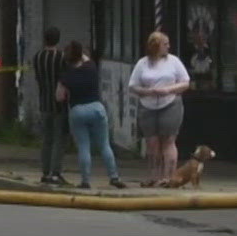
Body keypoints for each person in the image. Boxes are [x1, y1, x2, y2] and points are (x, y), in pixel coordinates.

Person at [127, 30, 191, 186]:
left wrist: (169, 89)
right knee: (152, 142)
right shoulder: (142, 63)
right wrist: (147, 91)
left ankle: (169, 177)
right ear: (155, 46)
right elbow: (132, 85)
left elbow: (186, 82)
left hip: (170, 103)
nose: (168, 46)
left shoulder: (173, 61)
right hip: (148, 105)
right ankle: (152, 176)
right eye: (165, 44)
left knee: (168, 140)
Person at [59, 41, 125, 189]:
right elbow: (84, 57)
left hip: (77, 110)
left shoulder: (67, 75)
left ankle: (85, 180)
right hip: (96, 108)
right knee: (104, 145)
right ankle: (114, 177)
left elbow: (59, 96)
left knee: (84, 147)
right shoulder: (91, 67)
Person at [30, 26, 68, 185]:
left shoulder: (37, 57)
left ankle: (45, 172)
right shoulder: (61, 57)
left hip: (44, 101)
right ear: (57, 39)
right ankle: (55, 172)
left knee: (47, 139)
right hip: (59, 104)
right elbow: (65, 78)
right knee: (59, 138)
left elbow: (38, 78)